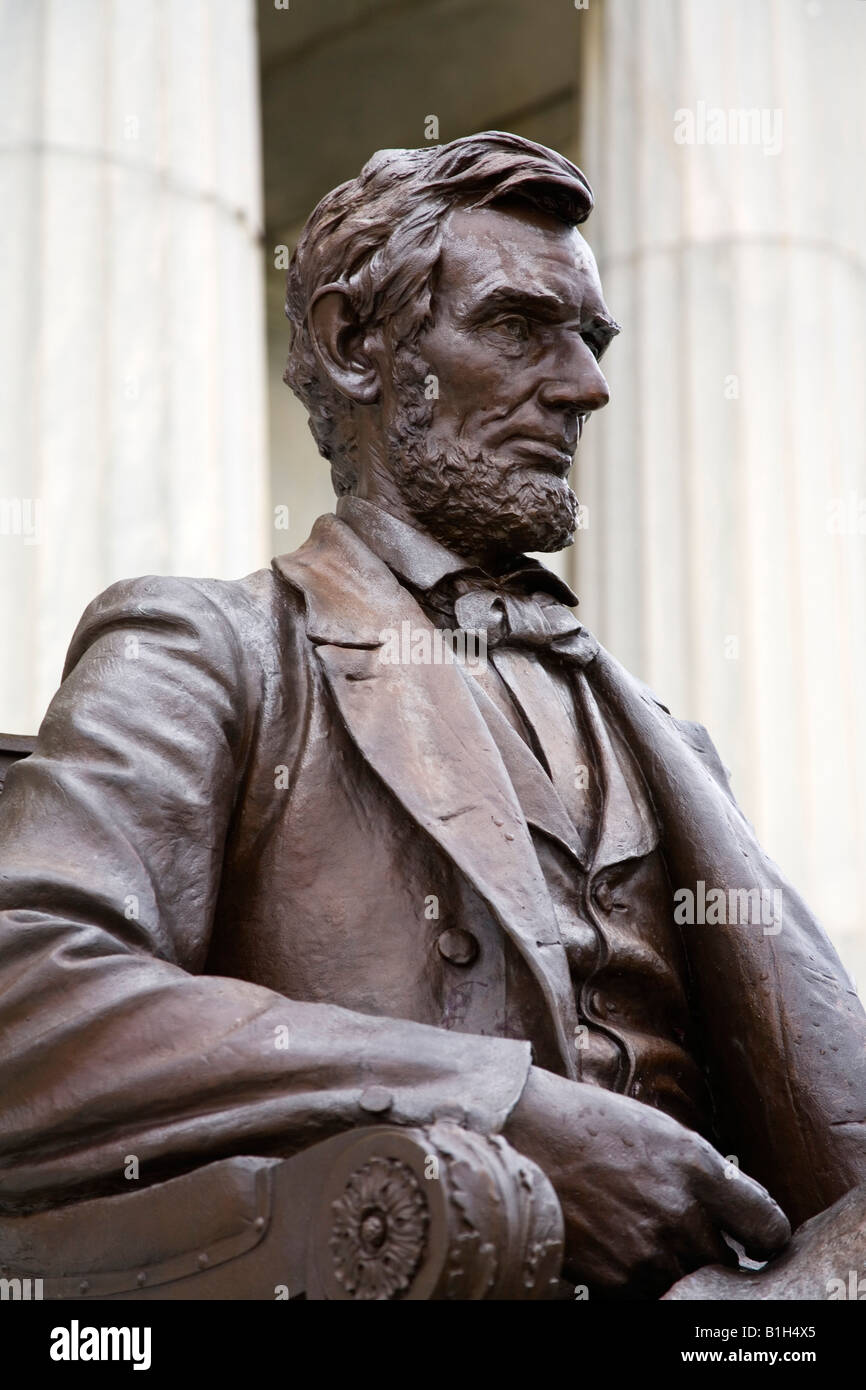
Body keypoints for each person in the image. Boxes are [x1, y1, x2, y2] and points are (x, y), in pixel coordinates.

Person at [0, 133, 862, 1298]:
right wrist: (497, 1104)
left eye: (588, 341)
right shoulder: (214, 648)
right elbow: (30, 994)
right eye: (517, 328)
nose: (584, 387)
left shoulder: (663, 738)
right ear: (359, 346)